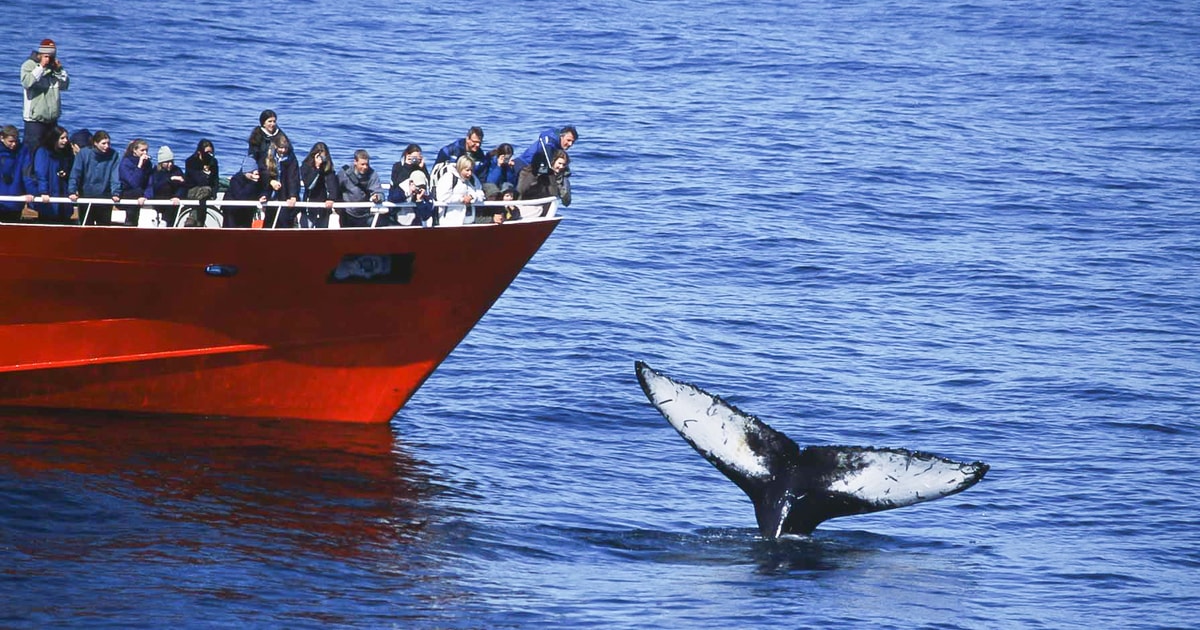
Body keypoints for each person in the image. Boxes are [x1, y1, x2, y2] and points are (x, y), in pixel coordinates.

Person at [19, 39, 69, 153]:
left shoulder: (54, 69)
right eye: (47, 55)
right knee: (32, 152)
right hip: (34, 120)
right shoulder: (29, 65)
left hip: (52, 120)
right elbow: (27, 82)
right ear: (40, 54)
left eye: (52, 55)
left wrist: (59, 69)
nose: (49, 58)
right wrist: (41, 67)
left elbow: (65, 85)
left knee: (51, 151)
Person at [67, 130, 122, 225]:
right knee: (86, 225)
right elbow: (76, 173)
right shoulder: (84, 154)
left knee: (104, 227)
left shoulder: (113, 155)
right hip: (86, 195)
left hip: (104, 196)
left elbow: (115, 176)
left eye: (108, 143)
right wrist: (72, 190)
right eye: (103, 143)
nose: (107, 146)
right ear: (95, 143)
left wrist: (115, 193)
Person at [28, 125, 73, 224]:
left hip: (62, 190)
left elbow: (70, 168)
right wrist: (43, 191)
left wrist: (66, 173)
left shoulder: (66, 152)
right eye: (62, 138)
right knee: (48, 217)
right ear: (54, 138)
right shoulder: (43, 151)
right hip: (49, 192)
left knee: (64, 217)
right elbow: (40, 172)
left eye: (66, 138)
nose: (65, 141)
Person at [433, 154, 485, 227]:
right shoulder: (448, 177)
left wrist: (472, 197)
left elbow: (481, 194)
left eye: (471, 170)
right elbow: (442, 197)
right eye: (467, 170)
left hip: (469, 222)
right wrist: (461, 199)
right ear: (460, 168)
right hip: (450, 222)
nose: (469, 173)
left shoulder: (473, 179)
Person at [336, 149, 383, 228]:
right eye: (362, 164)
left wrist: (377, 197)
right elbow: (335, 189)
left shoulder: (372, 174)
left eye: (367, 164)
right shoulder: (344, 173)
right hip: (347, 213)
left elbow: (378, 191)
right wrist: (338, 207)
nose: (365, 167)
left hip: (365, 214)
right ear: (355, 162)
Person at [260, 135, 300, 228]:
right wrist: (270, 182)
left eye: (285, 148)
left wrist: (293, 196)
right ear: (276, 146)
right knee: (269, 222)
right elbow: (263, 173)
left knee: (284, 221)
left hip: (285, 195)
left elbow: (293, 178)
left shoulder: (291, 159)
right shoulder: (267, 157)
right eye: (281, 148)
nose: (283, 150)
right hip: (270, 195)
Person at [517, 149, 571, 216]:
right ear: (553, 161)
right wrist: (536, 175)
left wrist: (561, 185)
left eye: (564, 164)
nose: (561, 167)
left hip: (546, 208)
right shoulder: (528, 172)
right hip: (527, 205)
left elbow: (566, 202)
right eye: (559, 163)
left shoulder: (562, 178)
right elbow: (521, 190)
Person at [300, 141, 340, 228]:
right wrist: (317, 168)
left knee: (321, 232)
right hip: (309, 206)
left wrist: (331, 198)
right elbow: (309, 185)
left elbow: (332, 185)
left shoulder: (328, 169)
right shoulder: (306, 166)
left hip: (323, 207)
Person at [223, 156, 267, 228]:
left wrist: (262, 196)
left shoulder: (258, 180)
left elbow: (263, 189)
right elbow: (241, 196)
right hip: (232, 211)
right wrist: (252, 182)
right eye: (251, 172)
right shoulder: (236, 180)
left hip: (247, 210)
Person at [148, 146, 186, 226]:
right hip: (158, 199)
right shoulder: (156, 172)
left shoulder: (177, 170)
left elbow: (183, 186)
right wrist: (170, 179)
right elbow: (156, 186)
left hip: (173, 200)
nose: (170, 164)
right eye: (167, 162)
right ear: (161, 162)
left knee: (172, 209)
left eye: (171, 161)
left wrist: (177, 196)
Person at [0, 126, 31, 222]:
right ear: (1, 138)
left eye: (16, 141)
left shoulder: (23, 151)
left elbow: (27, 173)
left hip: (16, 199)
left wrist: (30, 192)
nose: (14, 144)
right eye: (10, 141)